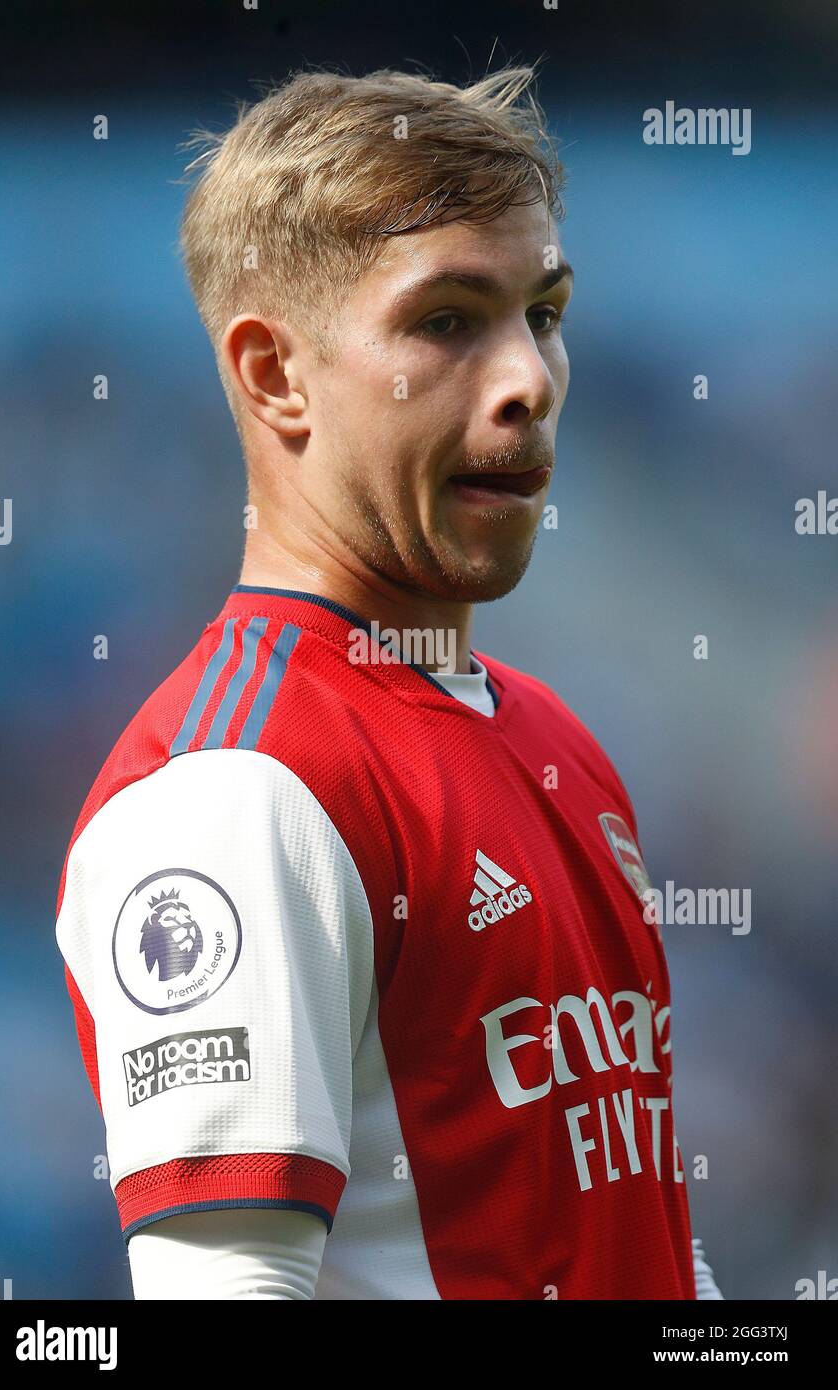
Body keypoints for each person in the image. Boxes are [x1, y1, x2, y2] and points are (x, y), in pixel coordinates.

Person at [55, 63, 723, 1300]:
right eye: (447, 320)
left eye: (544, 312)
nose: (528, 377)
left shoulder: (556, 739)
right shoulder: (239, 795)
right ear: (274, 375)